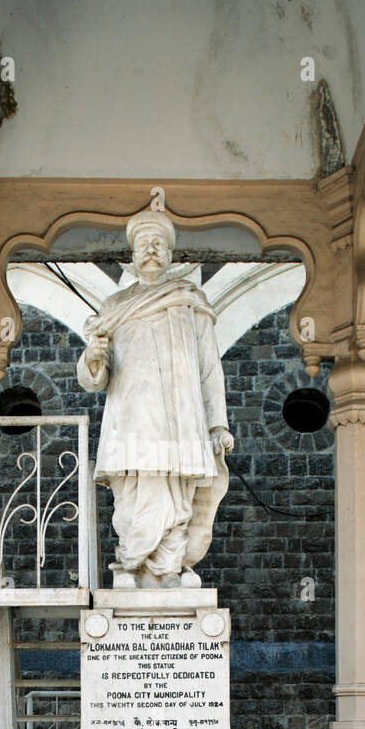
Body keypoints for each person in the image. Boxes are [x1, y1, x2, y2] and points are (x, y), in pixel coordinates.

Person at [77, 208, 233, 588]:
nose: (151, 250)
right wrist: (94, 358)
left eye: (158, 244)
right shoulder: (114, 308)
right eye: (144, 244)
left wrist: (217, 425)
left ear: (169, 254)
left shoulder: (189, 300)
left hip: (181, 421)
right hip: (132, 419)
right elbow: (95, 377)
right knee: (133, 495)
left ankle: (170, 569)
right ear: (132, 256)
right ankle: (130, 566)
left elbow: (210, 368)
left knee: (179, 498)